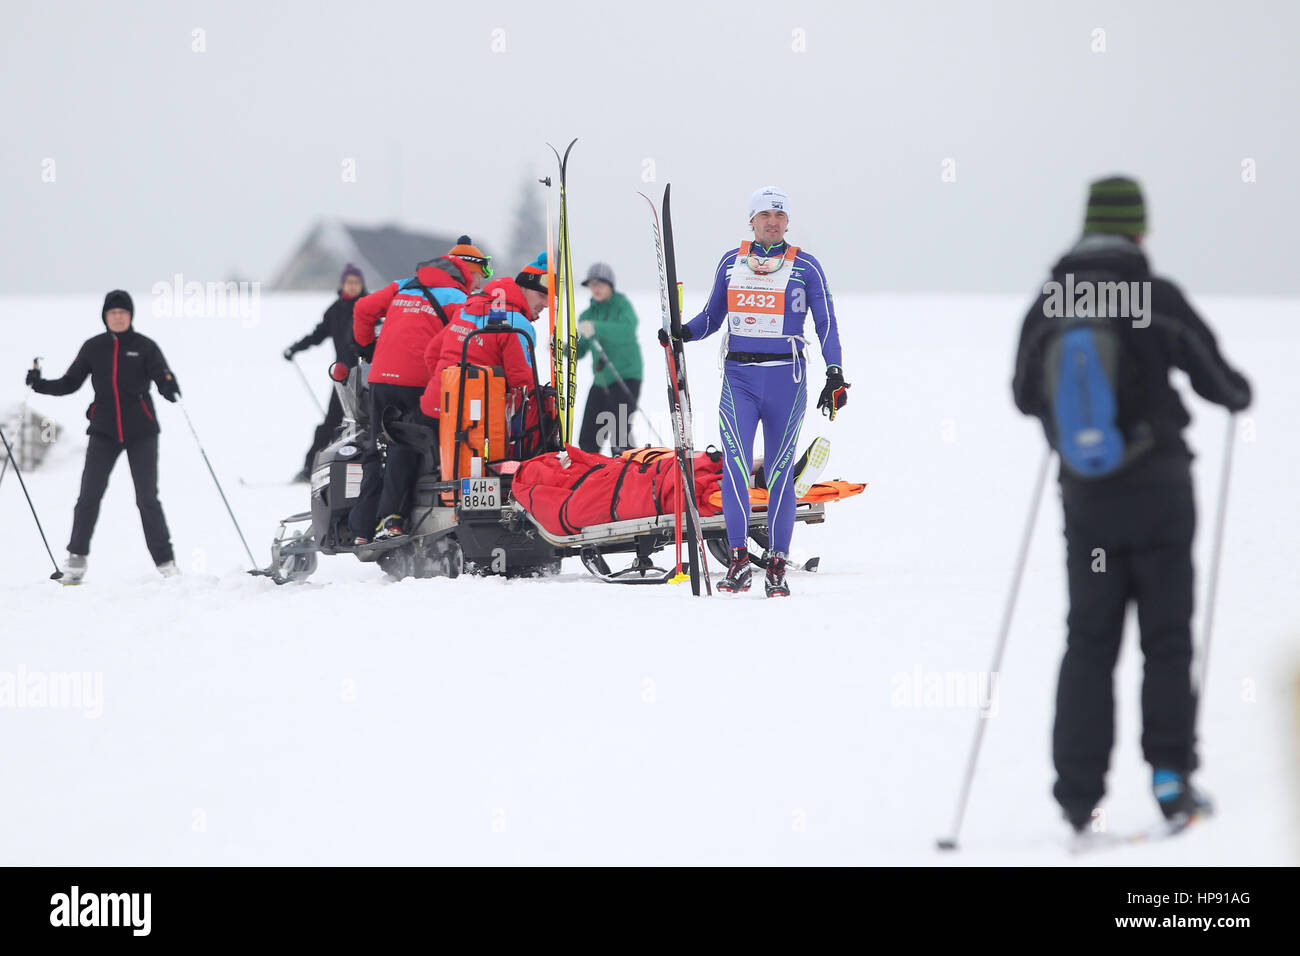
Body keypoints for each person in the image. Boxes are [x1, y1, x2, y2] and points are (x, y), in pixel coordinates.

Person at [1011, 175, 1252, 836]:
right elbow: (1218, 380)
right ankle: (1171, 780)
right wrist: (1239, 394)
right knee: (1165, 639)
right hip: (1161, 496)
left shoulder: (1053, 298)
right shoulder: (1156, 296)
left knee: (1088, 640)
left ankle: (1077, 795)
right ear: (1138, 229)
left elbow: (1024, 393)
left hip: (1087, 506)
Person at [668, 186, 847, 597]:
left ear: (787, 223)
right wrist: (682, 333)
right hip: (740, 380)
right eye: (765, 215)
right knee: (735, 466)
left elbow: (826, 323)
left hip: (789, 379)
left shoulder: (806, 267)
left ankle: (778, 565)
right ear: (751, 221)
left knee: (781, 474)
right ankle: (737, 560)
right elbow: (713, 316)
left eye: (780, 216)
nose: (772, 222)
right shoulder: (732, 263)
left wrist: (835, 372)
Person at [26, 290, 182, 582]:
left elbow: (163, 375)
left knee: (147, 499)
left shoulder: (145, 346)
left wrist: (168, 386)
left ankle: (166, 563)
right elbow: (69, 383)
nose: (118, 317)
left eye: (123, 313)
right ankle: (76, 561)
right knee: (88, 496)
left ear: (131, 316)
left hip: (142, 432)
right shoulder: (93, 347)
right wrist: (39, 385)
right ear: (105, 317)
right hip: (104, 431)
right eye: (113, 313)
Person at [348, 238, 488, 543]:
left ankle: (360, 530)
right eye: (481, 274)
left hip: (381, 379)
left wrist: (366, 348)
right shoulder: (457, 298)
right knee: (409, 448)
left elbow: (362, 309)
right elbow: (467, 341)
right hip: (419, 383)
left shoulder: (402, 286)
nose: (480, 282)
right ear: (468, 270)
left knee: (377, 450)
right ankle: (393, 520)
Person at [424, 254, 551, 455]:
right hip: (473, 423)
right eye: (541, 295)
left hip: (435, 408)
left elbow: (431, 353)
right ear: (522, 288)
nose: (546, 304)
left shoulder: (467, 308)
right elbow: (522, 381)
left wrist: (446, 383)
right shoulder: (516, 323)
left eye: (550, 298)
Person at [283, 263, 367, 483]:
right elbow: (317, 335)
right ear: (342, 285)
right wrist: (295, 348)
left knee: (366, 424)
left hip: (367, 377)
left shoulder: (368, 307)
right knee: (331, 423)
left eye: (356, 282)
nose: (352, 286)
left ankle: (362, 469)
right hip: (342, 379)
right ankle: (310, 468)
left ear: (362, 285)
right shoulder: (335, 310)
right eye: (349, 282)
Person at [574, 262, 643, 455]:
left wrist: (596, 328)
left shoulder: (622, 305)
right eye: (591, 284)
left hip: (625, 379)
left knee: (620, 438)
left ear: (610, 285)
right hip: (601, 381)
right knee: (587, 439)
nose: (595, 288)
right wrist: (562, 348)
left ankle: (627, 478)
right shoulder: (587, 315)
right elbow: (581, 350)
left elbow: (627, 331)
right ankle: (593, 480)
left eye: (600, 283)